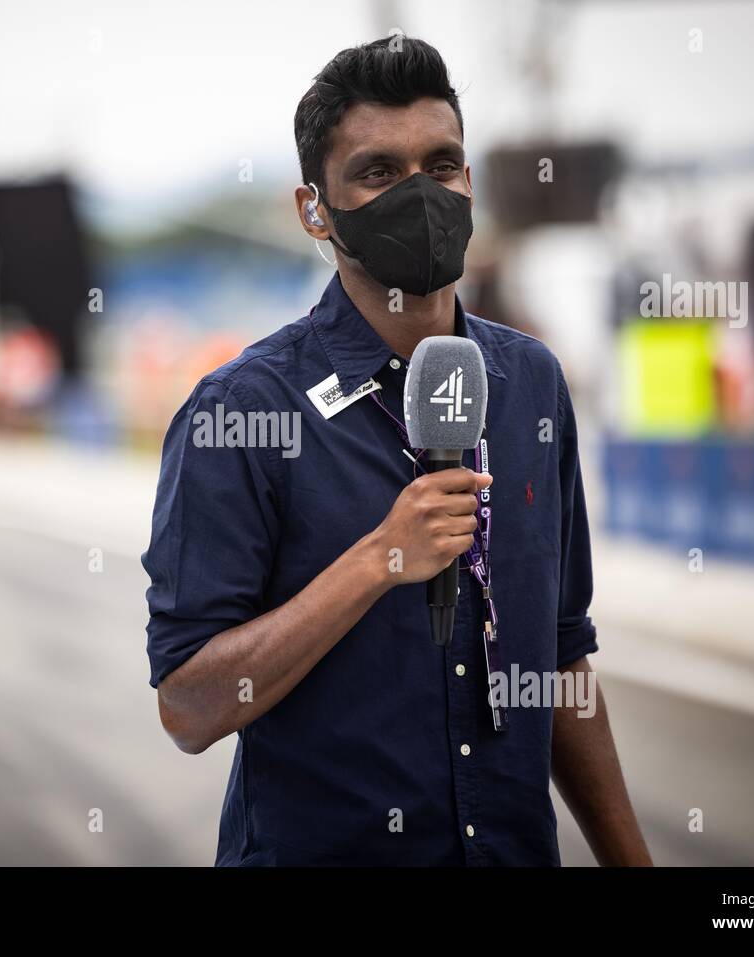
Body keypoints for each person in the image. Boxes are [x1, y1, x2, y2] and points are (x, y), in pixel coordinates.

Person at [141, 35, 652, 866]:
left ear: (470, 183)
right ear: (315, 209)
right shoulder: (239, 411)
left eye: (442, 164)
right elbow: (190, 707)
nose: (421, 194)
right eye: (379, 172)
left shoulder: (531, 384)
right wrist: (379, 558)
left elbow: (561, 653)